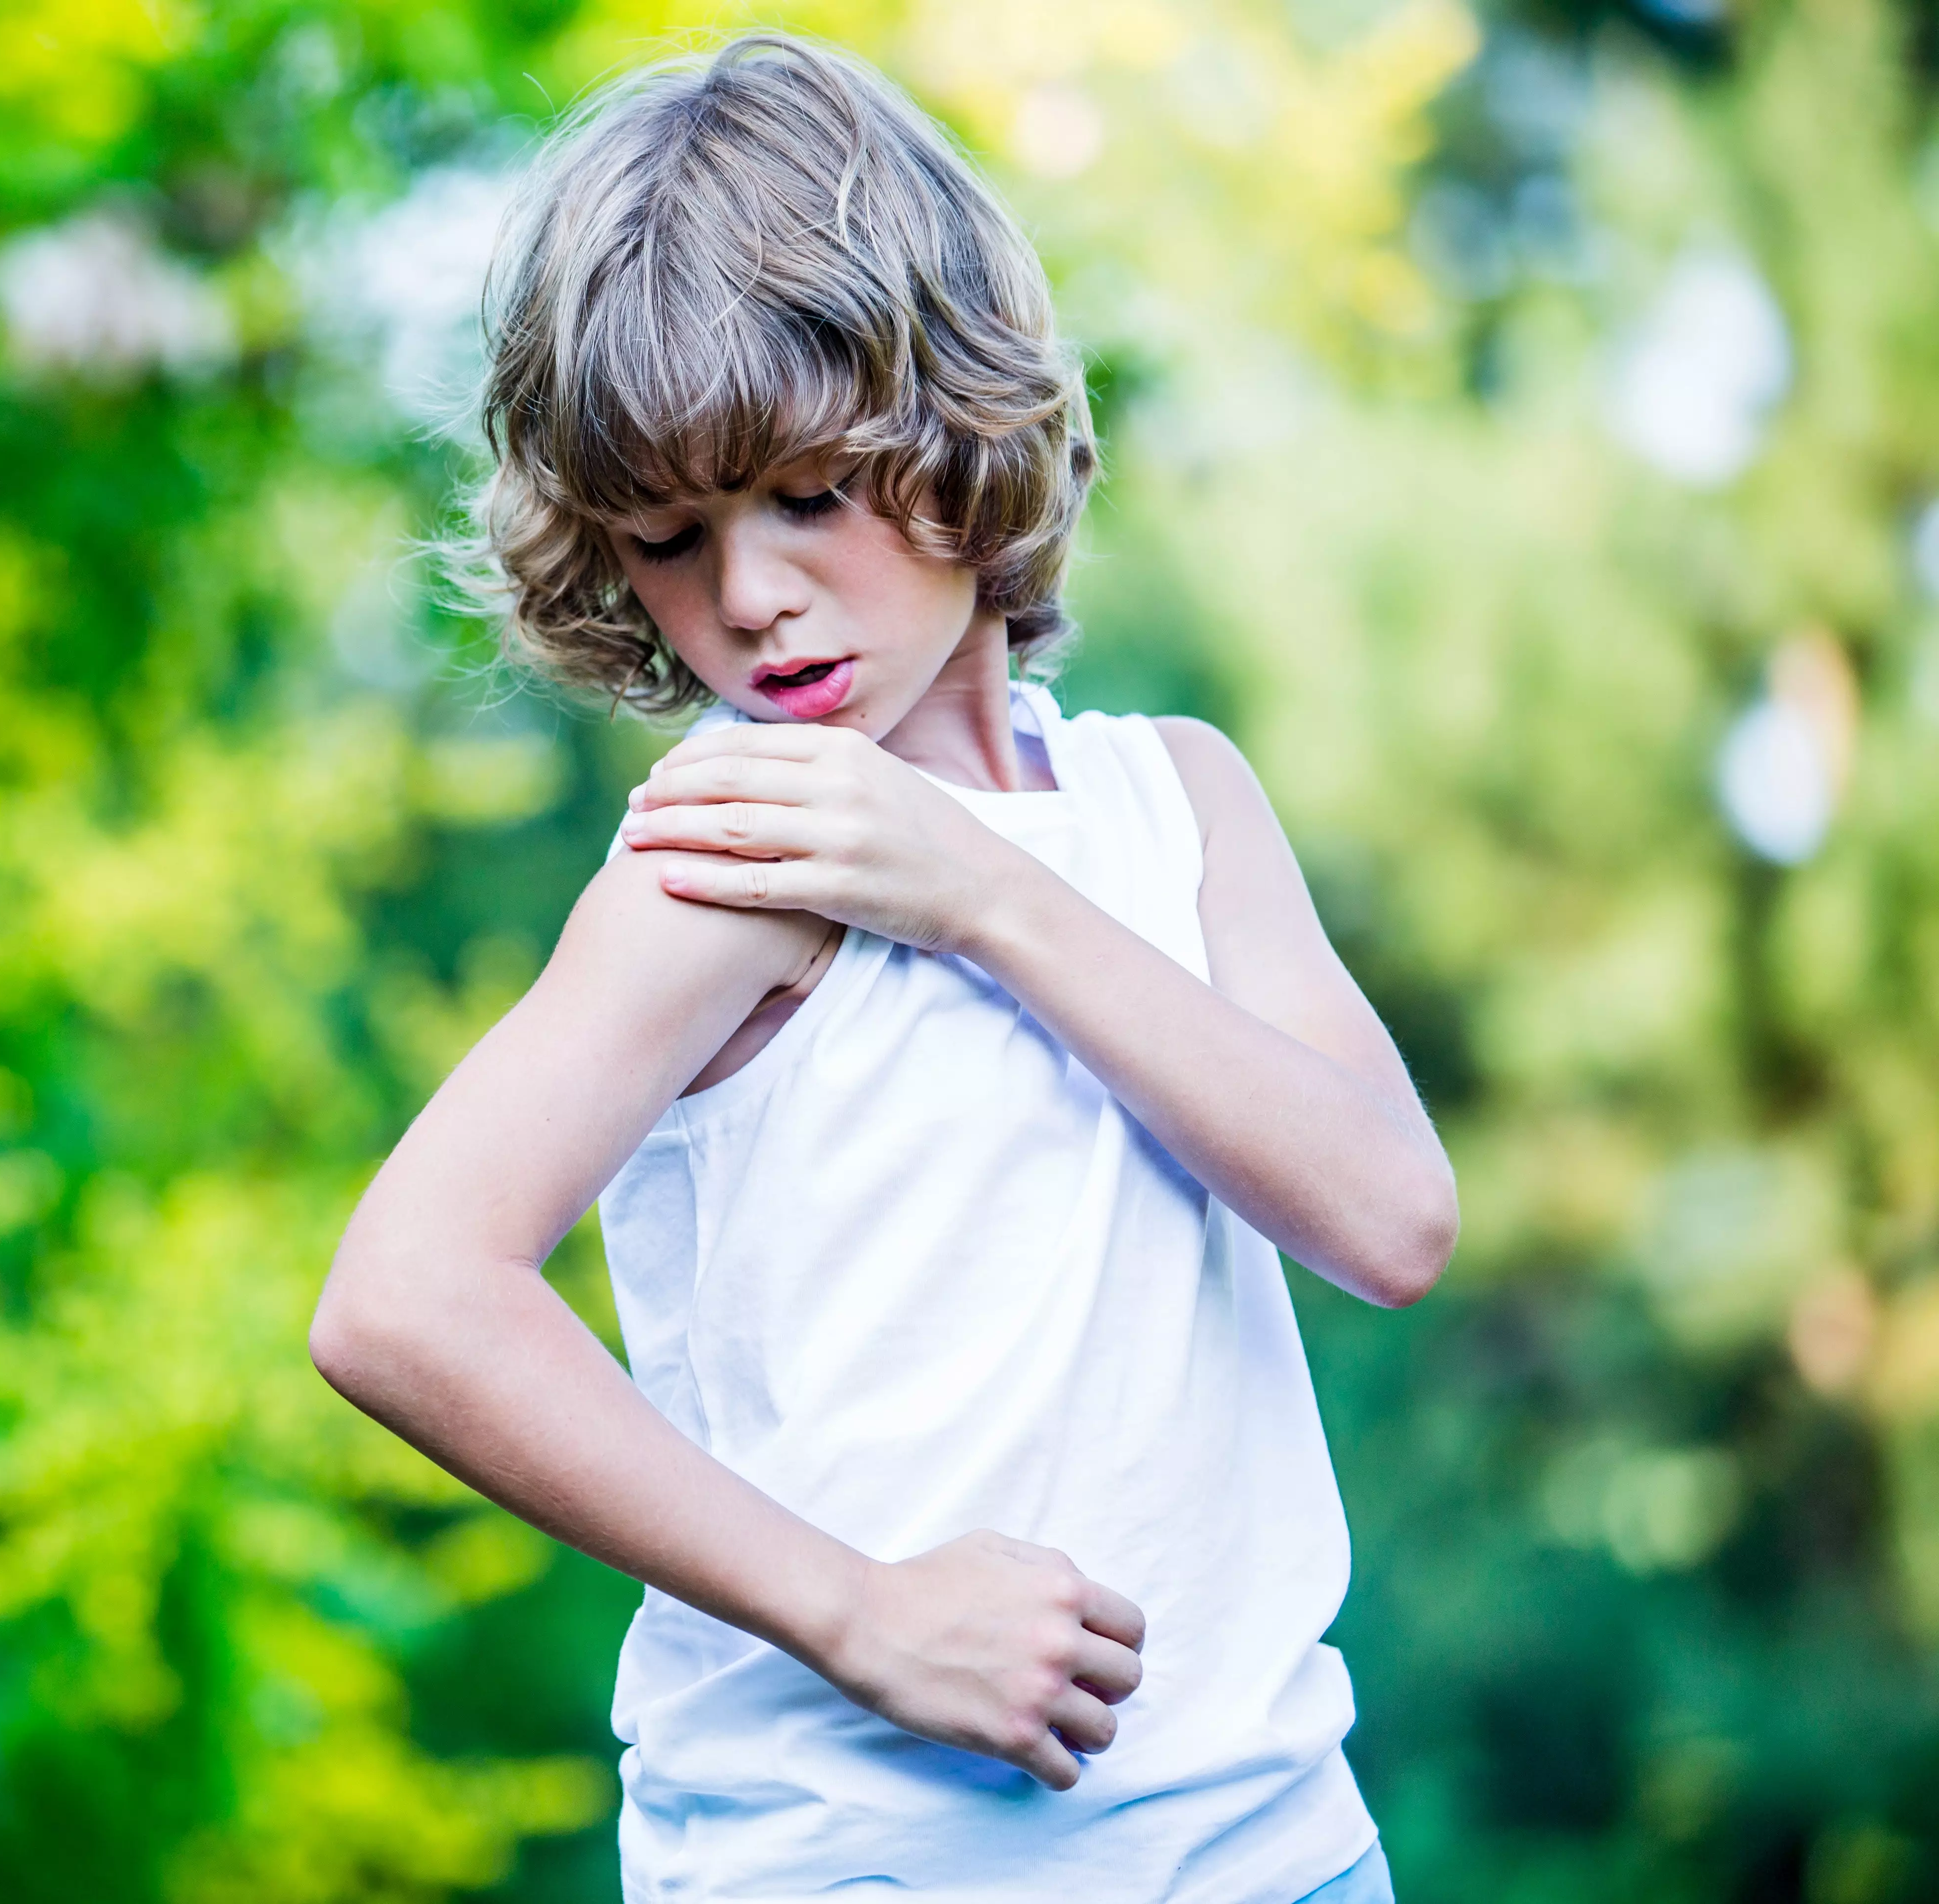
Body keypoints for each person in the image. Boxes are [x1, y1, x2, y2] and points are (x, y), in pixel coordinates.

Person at [308, 32, 1456, 1904]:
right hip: (855, 1868)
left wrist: (987, 896)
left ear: (964, 429)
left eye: (806, 498)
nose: (749, 596)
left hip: (1274, 1852)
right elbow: (404, 1297)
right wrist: (856, 1614)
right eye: (669, 541)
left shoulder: (1177, 803)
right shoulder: (732, 858)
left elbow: (1393, 1221)